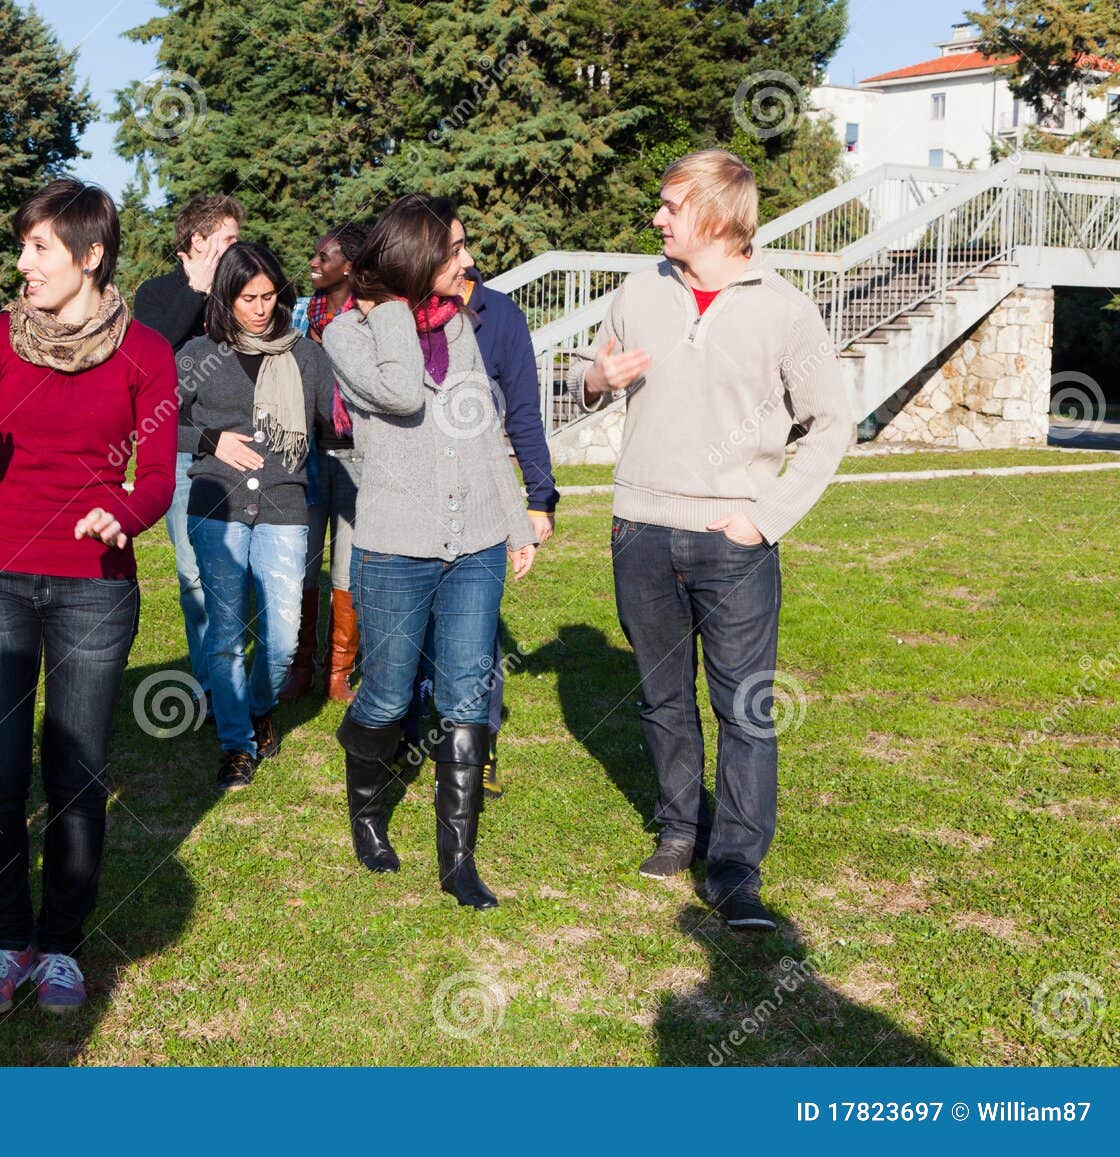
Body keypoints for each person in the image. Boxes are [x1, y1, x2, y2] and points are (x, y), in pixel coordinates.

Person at [575, 149, 851, 931]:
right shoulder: (638, 289)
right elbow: (586, 380)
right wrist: (597, 381)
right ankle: (676, 828)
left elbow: (831, 425)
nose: (656, 218)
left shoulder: (786, 309)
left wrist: (764, 518)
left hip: (733, 539)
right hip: (640, 530)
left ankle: (735, 867)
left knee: (744, 709)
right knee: (664, 699)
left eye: (669, 206)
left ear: (716, 216)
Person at [0, 179, 176, 1015]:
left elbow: (155, 479)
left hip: (96, 590)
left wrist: (121, 512)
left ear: (91, 256)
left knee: (78, 772)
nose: (23, 263)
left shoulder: (147, 351)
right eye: (23, 246)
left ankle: (65, 946)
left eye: (40, 247)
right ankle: (4, 943)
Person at [322, 194, 537, 911]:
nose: (468, 261)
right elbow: (400, 392)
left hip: (472, 540)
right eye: (454, 250)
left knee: (466, 690)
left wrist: (515, 522)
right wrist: (389, 305)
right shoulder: (348, 334)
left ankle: (459, 860)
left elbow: (482, 429)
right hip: (394, 547)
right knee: (383, 695)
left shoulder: (463, 328)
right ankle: (365, 810)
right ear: (416, 258)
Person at [400, 211, 560, 796]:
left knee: (475, 628)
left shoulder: (503, 319)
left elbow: (522, 414)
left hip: (481, 496)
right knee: (411, 618)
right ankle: (407, 729)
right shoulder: (398, 317)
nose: (466, 258)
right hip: (415, 496)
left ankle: (477, 745)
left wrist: (539, 499)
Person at [178, 241, 334, 790]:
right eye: (248, 298)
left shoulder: (306, 356)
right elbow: (155, 424)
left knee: (284, 636)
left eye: (269, 297)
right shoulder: (199, 353)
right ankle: (237, 745)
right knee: (224, 631)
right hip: (216, 505)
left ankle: (255, 706)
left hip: (285, 505)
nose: (261, 309)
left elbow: (330, 427)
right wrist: (211, 440)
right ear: (227, 297)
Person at [133, 195, 245, 714]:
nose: (236, 250)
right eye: (227, 241)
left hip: (247, 449)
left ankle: (249, 676)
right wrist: (199, 291)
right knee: (194, 573)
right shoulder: (154, 294)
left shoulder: (241, 291)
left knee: (252, 569)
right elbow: (152, 349)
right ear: (197, 242)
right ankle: (210, 683)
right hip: (181, 450)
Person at [281, 221, 371, 703]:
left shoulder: (372, 316)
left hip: (358, 454)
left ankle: (339, 671)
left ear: (350, 266)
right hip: (309, 453)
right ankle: (301, 664)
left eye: (324, 256)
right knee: (304, 559)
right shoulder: (300, 315)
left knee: (347, 567)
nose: (314, 262)